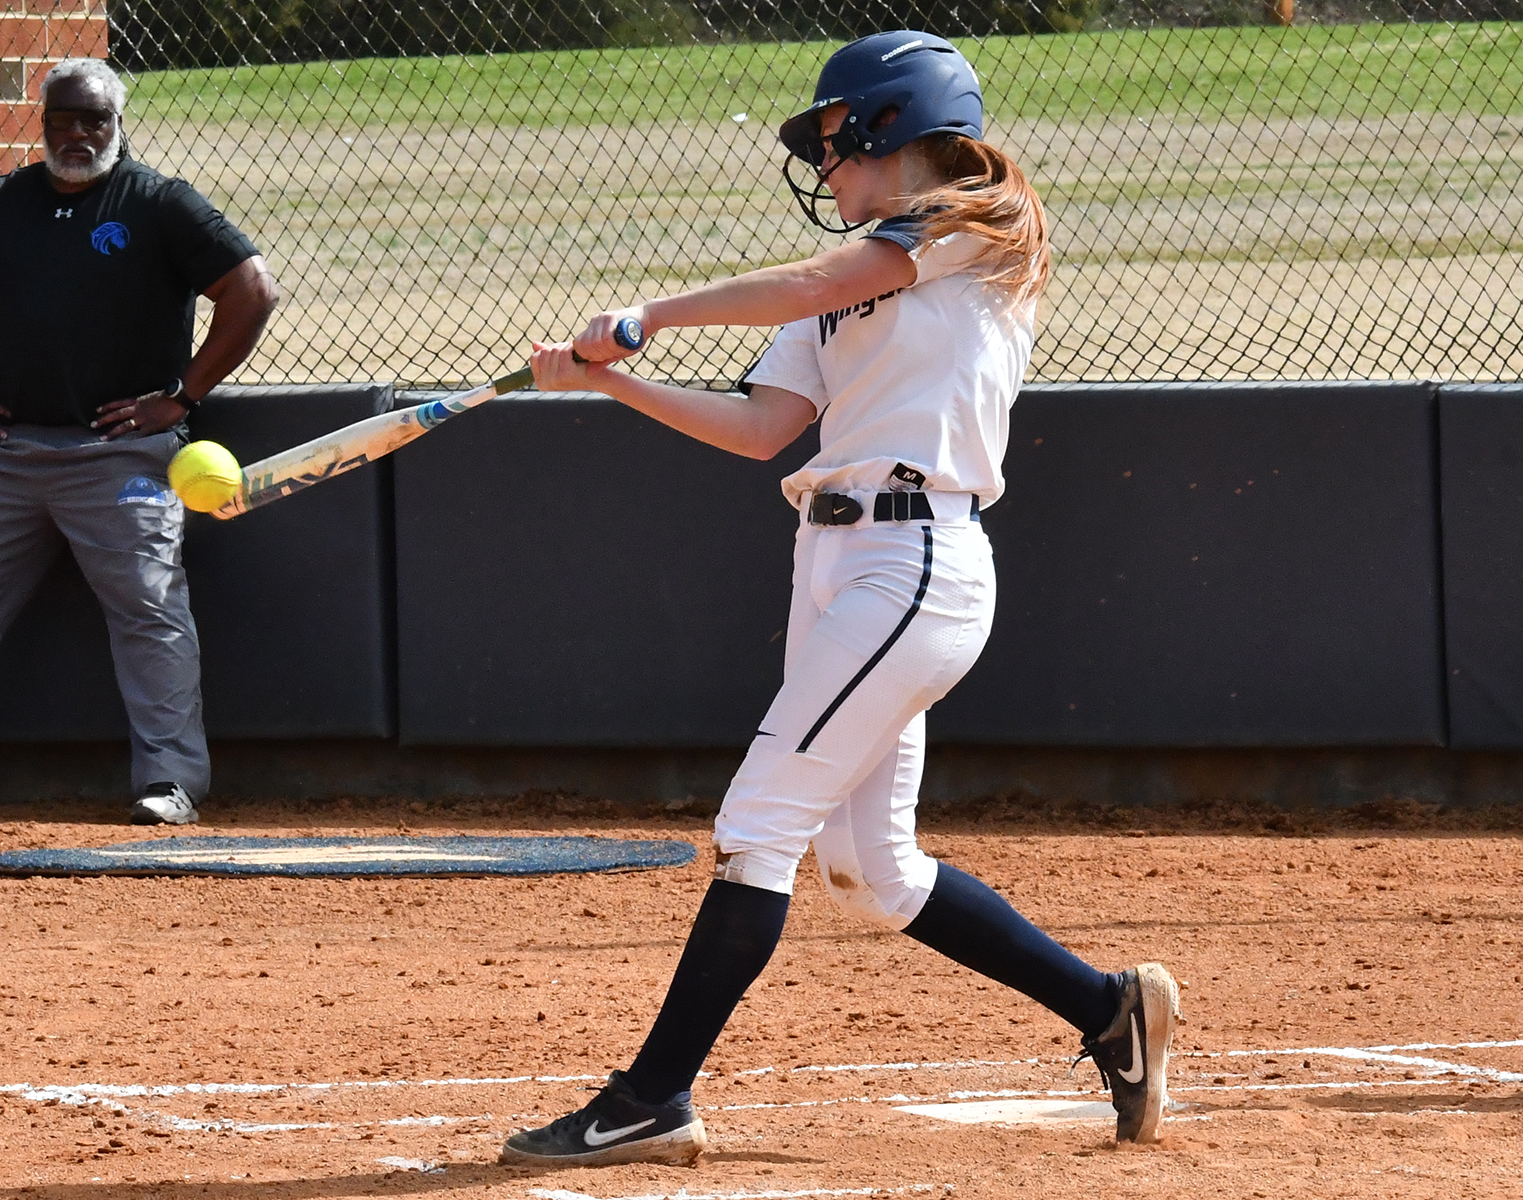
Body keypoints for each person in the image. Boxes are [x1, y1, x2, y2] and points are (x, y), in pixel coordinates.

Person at [499, 32, 1178, 1169]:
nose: (826, 168)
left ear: (887, 125)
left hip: (914, 564)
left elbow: (825, 277)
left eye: (834, 142)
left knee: (756, 827)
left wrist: (651, 313)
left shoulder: (975, 226)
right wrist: (616, 382)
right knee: (875, 876)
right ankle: (1110, 1009)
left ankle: (652, 1096)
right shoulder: (839, 284)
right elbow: (764, 430)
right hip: (834, 567)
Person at [0, 58, 277, 826]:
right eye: (62, 119)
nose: (76, 134)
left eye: (92, 119)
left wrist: (182, 397)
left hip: (122, 455)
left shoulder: (159, 203)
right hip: (5, 455)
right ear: (43, 125)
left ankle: (169, 784)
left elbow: (251, 287)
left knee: (148, 605)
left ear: (117, 123)